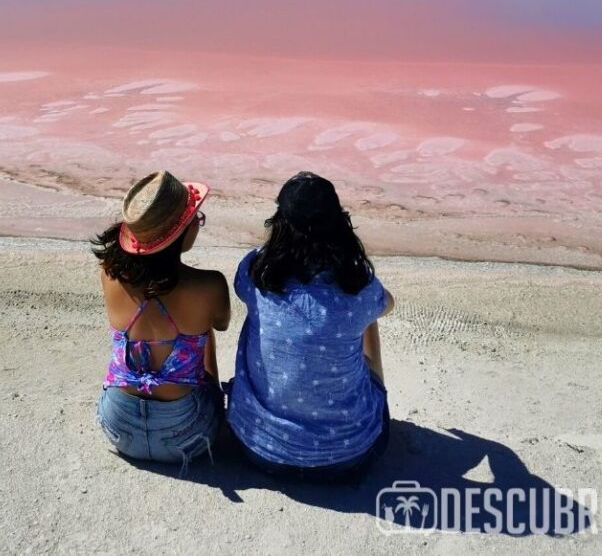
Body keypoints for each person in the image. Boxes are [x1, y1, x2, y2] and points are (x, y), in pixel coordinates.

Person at [227, 171, 394, 483]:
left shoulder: (255, 271)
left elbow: (241, 290)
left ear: (280, 221)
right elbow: (388, 303)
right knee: (367, 317)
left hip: (259, 447)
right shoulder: (358, 286)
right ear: (337, 222)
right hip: (347, 455)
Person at [93, 170, 230, 472]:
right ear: (181, 232)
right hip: (186, 435)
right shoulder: (209, 286)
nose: (198, 223)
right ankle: (212, 398)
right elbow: (221, 323)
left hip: (118, 428)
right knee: (200, 328)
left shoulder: (109, 272)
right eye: (197, 218)